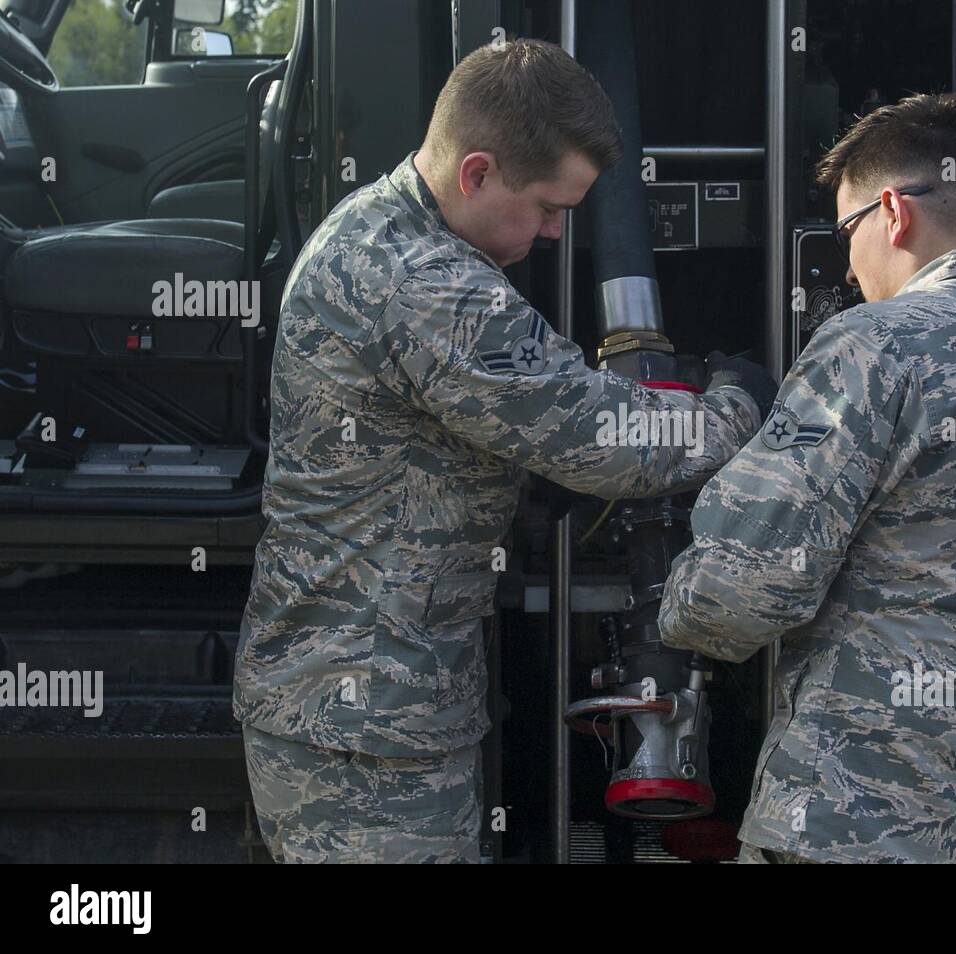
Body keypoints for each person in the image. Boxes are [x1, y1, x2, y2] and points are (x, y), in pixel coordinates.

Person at [233, 38, 773, 863]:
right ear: (477, 172)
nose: (558, 232)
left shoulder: (371, 226)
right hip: (371, 733)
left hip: (354, 709)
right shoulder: (434, 284)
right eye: (549, 207)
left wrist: (516, 476)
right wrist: (737, 400)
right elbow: (619, 445)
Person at [657, 92, 956, 863]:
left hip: (856, 816)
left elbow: (741, 593)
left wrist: (673, 607)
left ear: (892, 213)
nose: (846, 262)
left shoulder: (873, 345)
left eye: (848, 231)